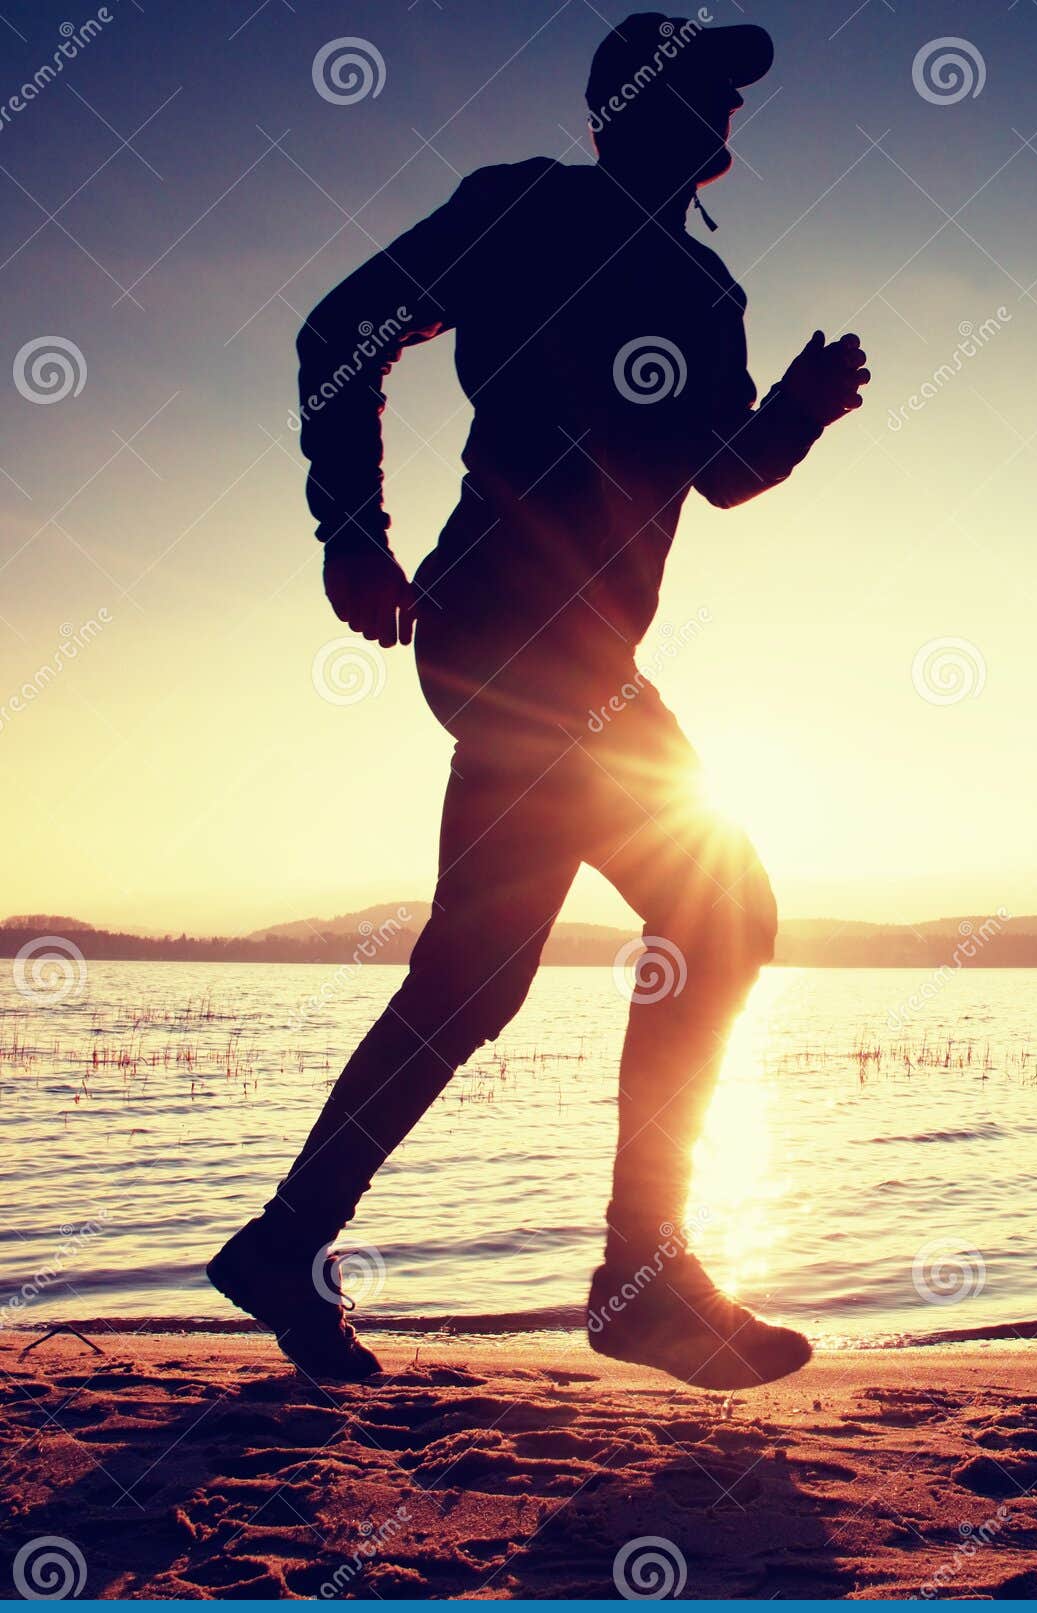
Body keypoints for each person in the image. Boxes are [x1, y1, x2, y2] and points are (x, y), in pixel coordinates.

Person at [207, 14, 869, 1389]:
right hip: (503, 628)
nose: (723, 118)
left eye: (728, 99)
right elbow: (343, 328)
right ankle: (641, 1277)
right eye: (699, 93)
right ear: (626, 110)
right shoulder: (526, 210)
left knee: (474, 979)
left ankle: (284, 1243)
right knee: (723, 900)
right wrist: (348, 525)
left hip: (583, 657)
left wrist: (800, 412)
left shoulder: (708, 295)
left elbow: (725, 471)